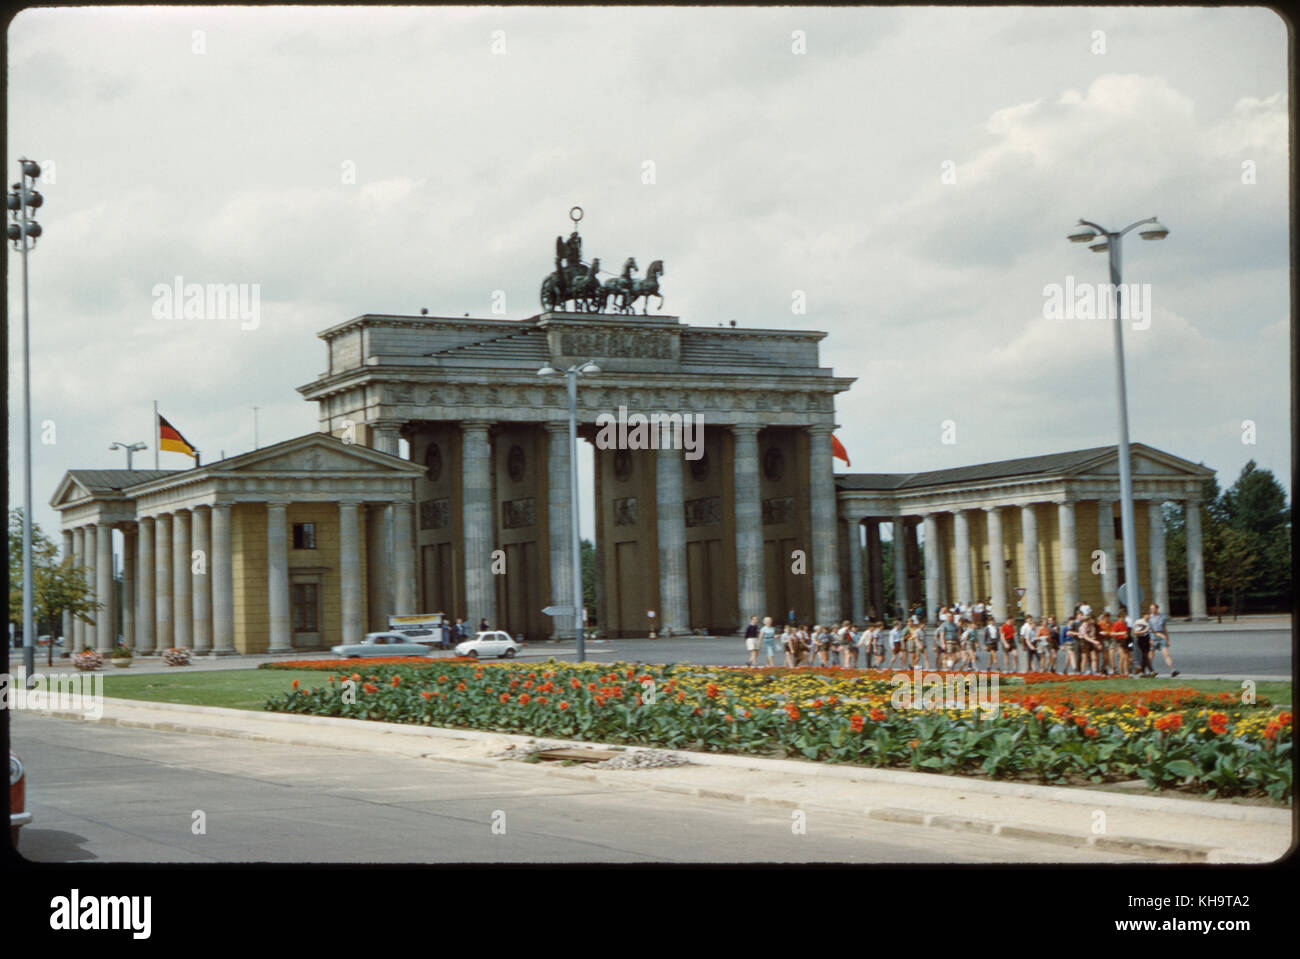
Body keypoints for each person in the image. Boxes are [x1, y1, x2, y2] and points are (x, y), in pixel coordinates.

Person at [1147, 604, 1178, 677]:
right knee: (1151, 655)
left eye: (1153, 608)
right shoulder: (1149, 618)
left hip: (1162, 636)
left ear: (1157, 608)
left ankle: (1172, 670)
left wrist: (1167, 639)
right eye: (1150, 609)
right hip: (1152, 636)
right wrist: (1149, 639)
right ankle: (1149, 671)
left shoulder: (1162, 617)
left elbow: (1164, 628)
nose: (1152, 610)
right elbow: (1148, 629)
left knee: (1166, 653)